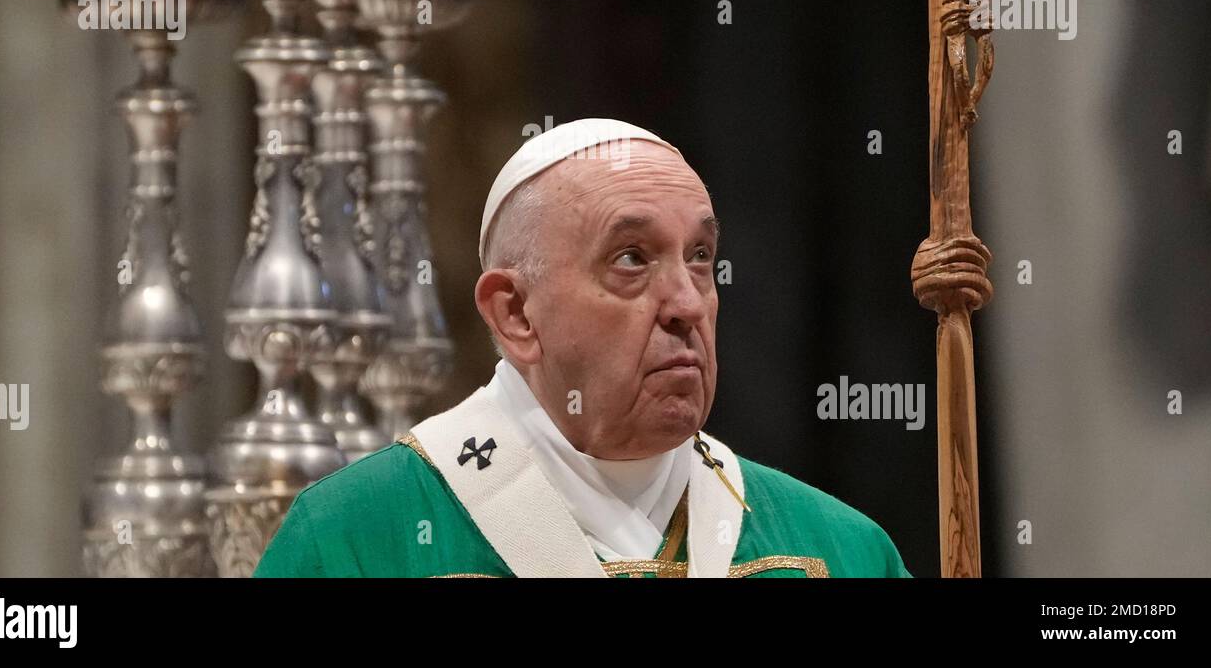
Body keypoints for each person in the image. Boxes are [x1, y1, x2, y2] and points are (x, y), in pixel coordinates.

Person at [255, 118, 911, 577]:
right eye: (632, 258)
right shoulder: (357, 541)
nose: (687, 303)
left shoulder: (841, 551)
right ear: (515, 314)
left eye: (701, 257)